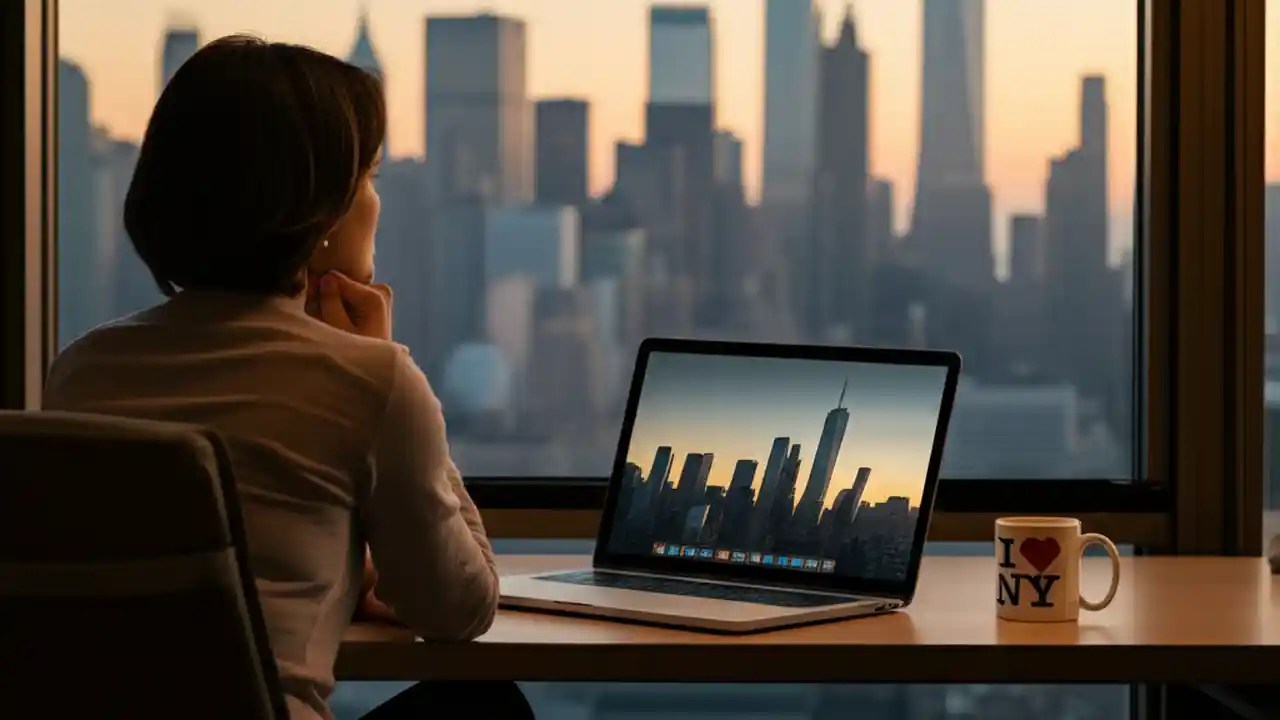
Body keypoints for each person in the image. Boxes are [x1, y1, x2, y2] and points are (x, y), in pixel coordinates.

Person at [42, 36, 532, 720]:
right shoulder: (370, 380)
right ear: (323, 215)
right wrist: (381, 361)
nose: (377, 203)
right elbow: (459, 608)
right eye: (371, 178)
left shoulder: (80, 372)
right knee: (485, 706)